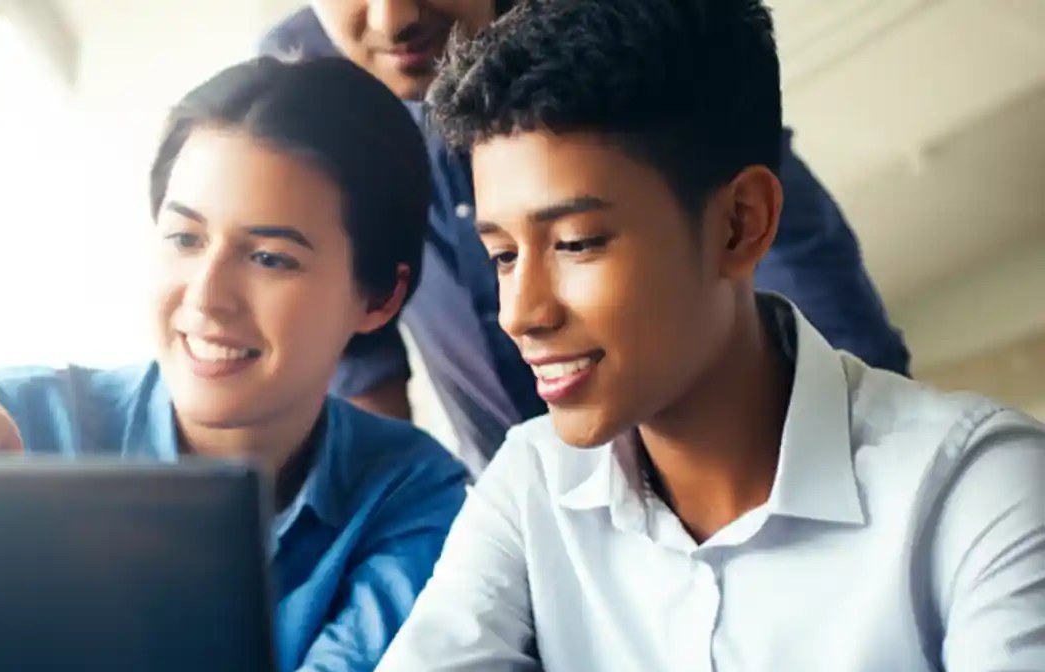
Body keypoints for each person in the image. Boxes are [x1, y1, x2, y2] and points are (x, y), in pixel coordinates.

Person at [335, 1, 1045, 672]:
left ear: (740, 224)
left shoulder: (981, 489)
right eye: (503, 256)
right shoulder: (532, 487)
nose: (522, 313)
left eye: (576, 243)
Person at [0, 56, 468, 672]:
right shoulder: (16, 430)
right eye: (184, 238)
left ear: (379, 297)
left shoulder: (412, 495)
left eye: (270, 258)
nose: (206, 298)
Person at [261, 0, 911, 472]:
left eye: (577, 241)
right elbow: (359, 359)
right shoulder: (302, 85)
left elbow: (794, 258)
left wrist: (865, 457)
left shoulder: (636, 28)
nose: (392, 18)